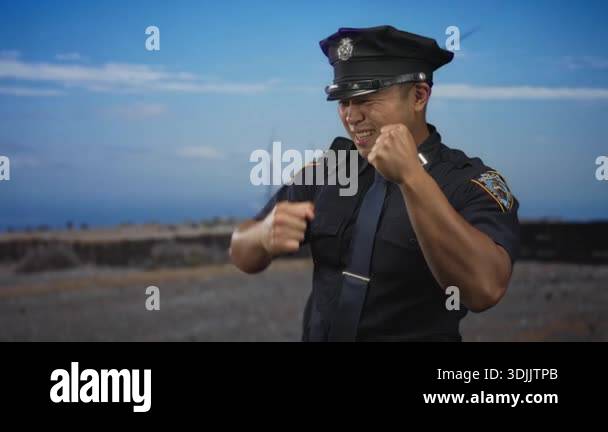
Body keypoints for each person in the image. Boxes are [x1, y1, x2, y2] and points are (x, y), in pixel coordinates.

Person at [230, 25, 520, 341]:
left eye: (367, 98)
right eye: (343, 101)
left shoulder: (466, 182)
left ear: (419, 97)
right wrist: (262, 234)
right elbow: (241, 253)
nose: (352, 117)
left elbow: (485, 289)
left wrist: (413, 179)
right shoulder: (328, 172)